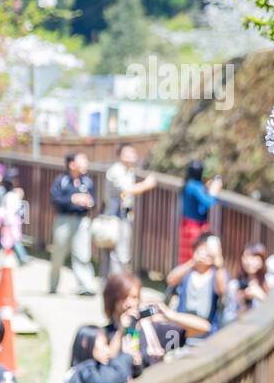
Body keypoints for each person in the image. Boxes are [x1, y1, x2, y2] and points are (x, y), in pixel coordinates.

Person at [98, 271, 210, 376]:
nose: (130, 303)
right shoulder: (105, 333)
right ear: (112, 300)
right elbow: (106, 361)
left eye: (134, 297)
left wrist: (170, 315)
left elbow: (203, 328)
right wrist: (121, 331)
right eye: (123, 298)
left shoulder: (153, 330)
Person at [48, 152, 98, 296]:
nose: (86, 164)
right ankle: (53, 285)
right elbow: (55, 199)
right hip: (63, 219)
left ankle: (85, 286)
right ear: (72, 164)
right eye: (83, 161)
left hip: (82, 220)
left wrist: (89, 202)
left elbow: (93, 200)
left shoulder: (87, 181)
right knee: (58, 254)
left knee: (83, 255)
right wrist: (72, 199)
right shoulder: (61, 180)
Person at [103, 143, 156, 277]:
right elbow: (128, 190)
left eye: (133, 153)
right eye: (127, 153)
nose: (131, 156)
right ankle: (117, 283)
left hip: (122, 215)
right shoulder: (117, 170)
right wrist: (146, 184)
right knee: (118, 253)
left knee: (116, 252)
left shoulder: (128, 170)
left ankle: (112, 283)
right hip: (115, 216)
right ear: (119, 155)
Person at [167, 233, 228, 335]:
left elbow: (222, 290)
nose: (206, 253)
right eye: (203, 248)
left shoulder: (217, 273)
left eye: (210, 250)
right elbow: (171, 279)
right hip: (182, 327)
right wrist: (193, 261)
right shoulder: (188, 271)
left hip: (206, 331)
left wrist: (218, 260)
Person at [63, 325, 135, 383]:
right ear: (84, 343)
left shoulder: (94, 370)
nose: (108, 351)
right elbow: (117, 376)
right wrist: (128, 356)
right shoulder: (81, 374)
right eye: (104, 345)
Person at [179, 161, 221, 264]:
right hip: (195, 227)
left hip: (187, 225)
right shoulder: (194, 186)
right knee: (195, 254)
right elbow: (208, 202)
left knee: (188, 255)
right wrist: (214, 192)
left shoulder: (188, 184)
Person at [0, 170, 28, 268]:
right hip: (1, 219)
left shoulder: (16, 192)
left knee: (13, 240)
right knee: (1, 240)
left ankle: (22, 257)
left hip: (9, 220)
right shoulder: (1, 190)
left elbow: (14, 209)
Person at [225, 241, 271, 323]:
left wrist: (261, 296)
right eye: (246, 257)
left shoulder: (270, 281)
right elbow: (227, 318)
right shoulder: (234, 285)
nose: (250, 262)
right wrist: (241, 305)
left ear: (262, 260)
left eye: (254, 257)